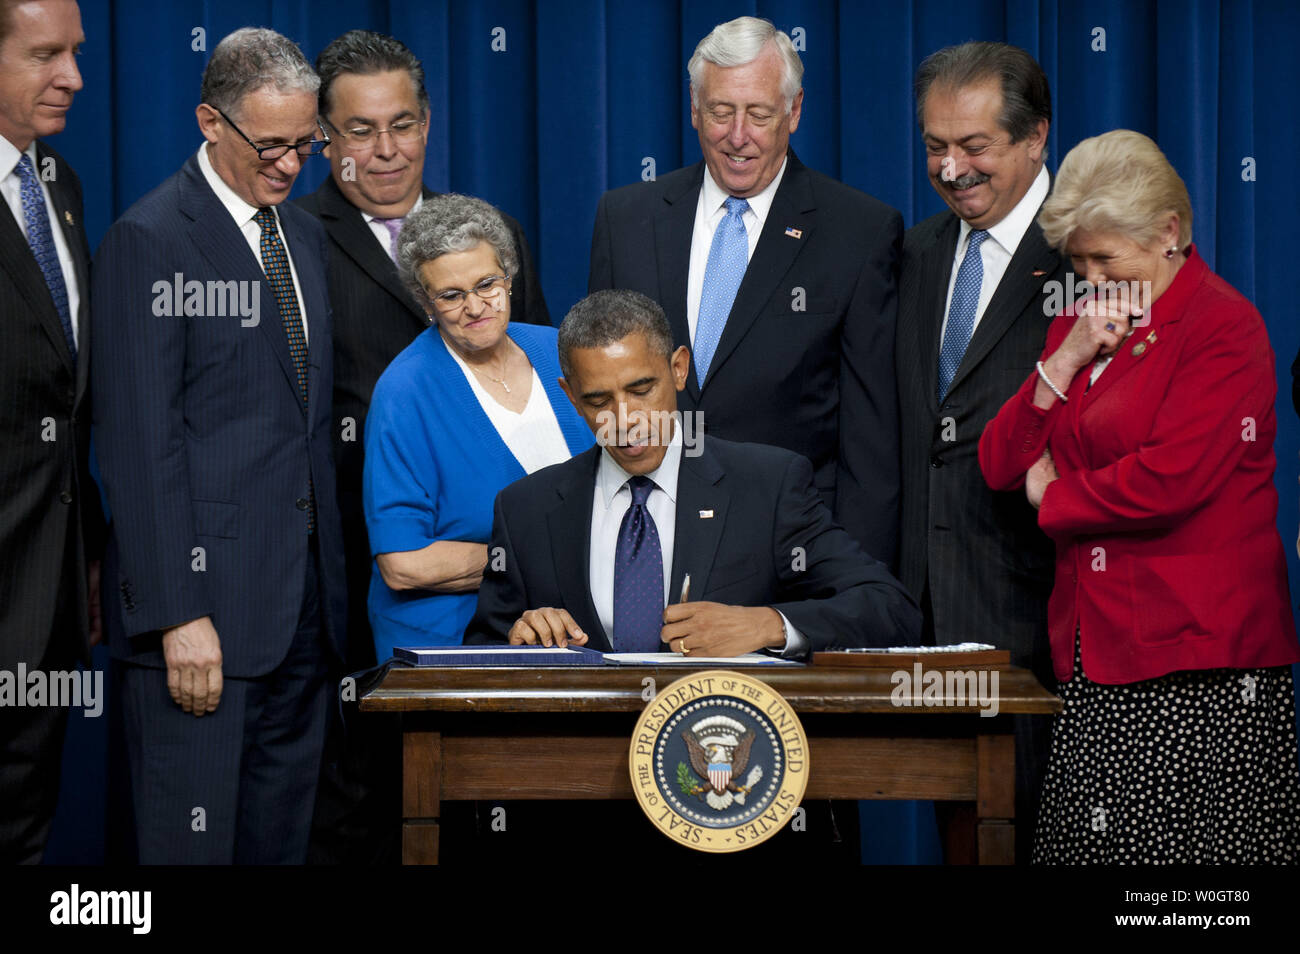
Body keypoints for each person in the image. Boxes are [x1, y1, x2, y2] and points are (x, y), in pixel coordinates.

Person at [980, 129, 1300, 863]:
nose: (1091, 277)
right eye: (1079, 262)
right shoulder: (1083, 318)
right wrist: (1065, 356)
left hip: (1198, 655)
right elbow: (1000, 462)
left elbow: (1172, 479)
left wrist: (1055, 497)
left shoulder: (1224, 326)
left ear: (1169, 233)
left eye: (1105, 257)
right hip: (1098, 645)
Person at [295, 28, 549, 865]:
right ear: (324, 136)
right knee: (369, 805)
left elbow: (539, 378)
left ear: (429, 122)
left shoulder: (489, 232)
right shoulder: (290, 242)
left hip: (515, 601)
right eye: (360, 130)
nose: (386, 149)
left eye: (402, 123)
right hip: (344, 568)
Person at [91, 28, 346, 864]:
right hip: (201, 623)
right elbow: (136, 442)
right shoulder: (152, 239)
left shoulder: (302, 236)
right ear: (210, 121)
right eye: (269, 145)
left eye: (306, 142)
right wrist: (177, 612)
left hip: (303, 619)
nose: (291, 164)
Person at [588, 16, 902, 565]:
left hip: (789, 551)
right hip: (647, 544)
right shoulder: (626, 217)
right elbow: (598, 392)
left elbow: (869, 440)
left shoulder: (858, 231)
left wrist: (855, 586)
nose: (738, 136)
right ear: (694, 109)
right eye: (720, 112)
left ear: (794, 111)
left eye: (758, 114)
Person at [464, 288, 921, 656]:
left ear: (678, 369)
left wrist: (767, 624)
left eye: (642, 389)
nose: (624, 418)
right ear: (570, 396)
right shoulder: (526, 509)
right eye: (599, 400)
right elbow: (480, 655)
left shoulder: (768, 486)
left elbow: (890, 610)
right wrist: (521, 638)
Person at [895, 41, 1062, 862]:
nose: (951, 168)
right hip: (928, 609)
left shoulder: (1087, 257)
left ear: (1036, 139)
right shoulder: (918, 252)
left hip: (1046, 609)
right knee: (964, 835)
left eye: (975, 147)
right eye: (934, 146)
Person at [363, 194, 593, 661]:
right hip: (453, 640)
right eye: (450, 295)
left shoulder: (561, 352)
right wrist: (541, 566)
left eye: (487, 283)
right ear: (426, 303)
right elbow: (402, 564)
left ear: (509, 276)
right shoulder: (404, 392)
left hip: (577, 630)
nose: (474, 306)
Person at [0, 0, 102, 864]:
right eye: (45, 54)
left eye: (74, 52)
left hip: (51, 586)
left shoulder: (58, 185)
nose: (72, 76)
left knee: (25, 824)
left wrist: (88, 555)